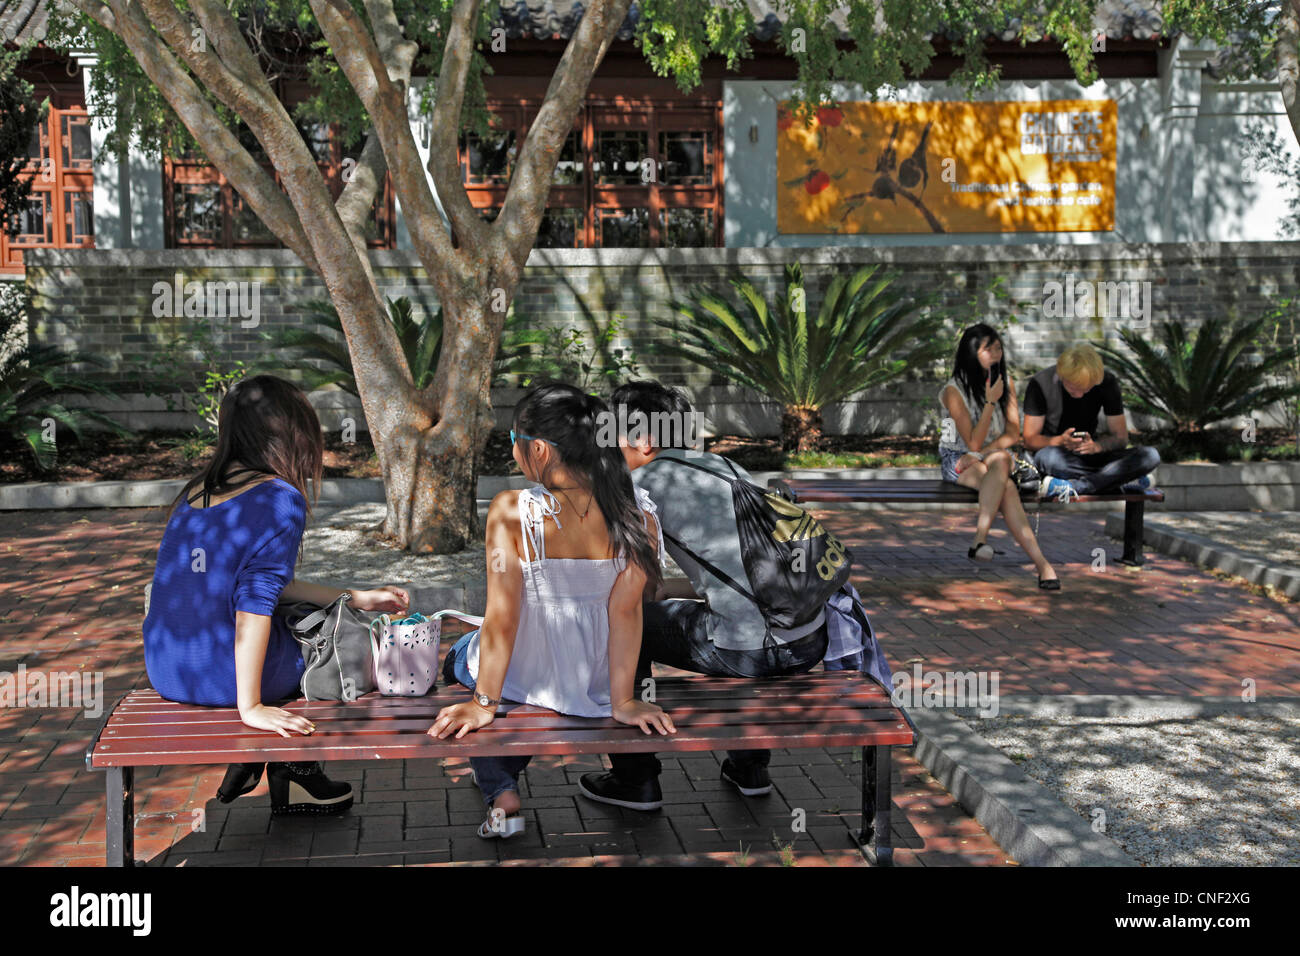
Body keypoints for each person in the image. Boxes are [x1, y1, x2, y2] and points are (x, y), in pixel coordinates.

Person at [143, 375, 410, 815]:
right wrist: (250, 708)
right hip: (223, 677)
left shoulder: (197, 489)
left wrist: (356, 596)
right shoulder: (279, 498)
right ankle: (293, 768)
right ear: (290, 433)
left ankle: (278, 767)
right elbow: (254, 606)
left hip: (167, 668)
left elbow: (259, 585)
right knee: (344, 645)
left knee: (309, 615)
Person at [576, 380, 838, 812]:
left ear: (644, 438)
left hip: (756, 649)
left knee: (620, 621)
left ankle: (633, 778)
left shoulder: (638, 484)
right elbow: (734, 576)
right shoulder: (724, 467)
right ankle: (748, 766)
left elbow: (631, 597)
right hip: (807, 637)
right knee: (722, 617)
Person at [430, 383, 675, 839]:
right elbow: (626, 614)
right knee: (504, 684)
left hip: (527, 673)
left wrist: (483, 704)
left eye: (514, 441)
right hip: (594, 678)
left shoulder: (511, 511)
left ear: (538, 449)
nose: (515, 450)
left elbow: (502, 618)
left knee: (460, 660)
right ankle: (498, 776)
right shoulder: (640, 514)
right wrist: (622, 701)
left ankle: (502, 790)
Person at [938, 324, 1060, 590]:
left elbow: (1013, 433)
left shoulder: (1006, 382)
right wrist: (991, 401)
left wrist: (982, 453)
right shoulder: (953, 390)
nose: (996, 354)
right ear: (972, 353)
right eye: (988, 349)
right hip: (957, 459)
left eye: (998, 348)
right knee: (1005, 485)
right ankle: (1042, 565)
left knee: (1002, 460)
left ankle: (980, 539)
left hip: (989, 455)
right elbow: (971, 442)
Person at [1022, 343, 1160, 499]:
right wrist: (1060, 441)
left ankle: (1076, 487)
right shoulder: (1041, 383)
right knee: (1047, 459)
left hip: (1093, 456)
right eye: (1075, 388)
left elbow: (1120, 438)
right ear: (1062, 376)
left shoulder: (1107, 382)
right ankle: (1119, 480)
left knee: (1150, 455)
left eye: (1087, 389)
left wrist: (1097, 447)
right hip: (1058, 456)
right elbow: (1029, 440)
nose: (1080, 394)